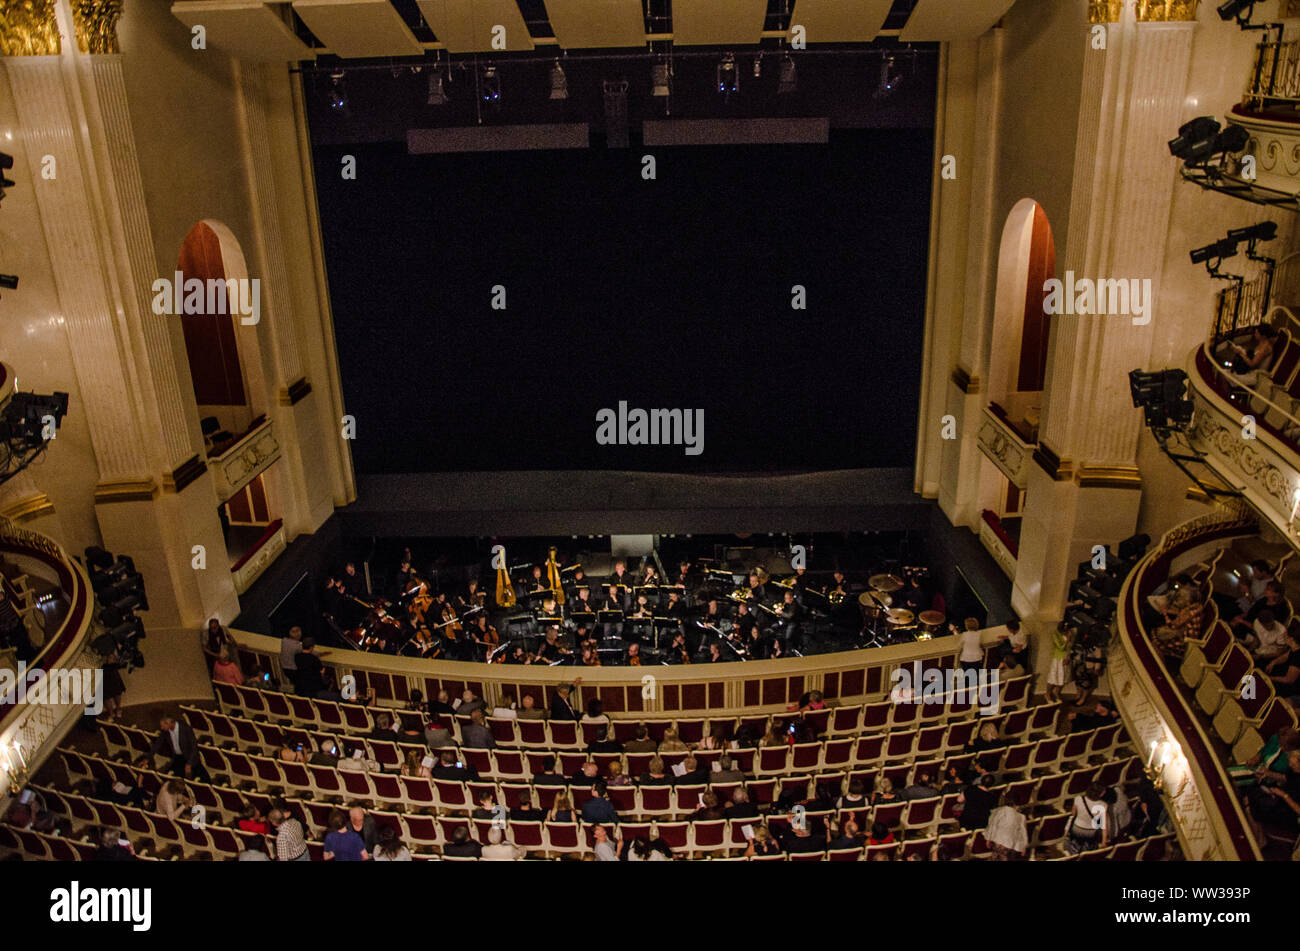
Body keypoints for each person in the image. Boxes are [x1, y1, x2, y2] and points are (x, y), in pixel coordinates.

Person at [150, 715, 204, 780]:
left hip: (190, 757)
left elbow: (194, 747)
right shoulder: (165, 731)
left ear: (169, 723)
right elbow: (157, 744)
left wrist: (189, 763)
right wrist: (148, 757)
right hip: (177, 758)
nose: (161, 728)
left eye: (163, 726)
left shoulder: (185, 729)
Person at [1067, 782, 1111, 853]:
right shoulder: (1103, 805)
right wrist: (1104, 841)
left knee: (1074, 848)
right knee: (1087, 852)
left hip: (1076, 828)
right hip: (1091, 831)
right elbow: (1104, 825)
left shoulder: (1078, 798)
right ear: (1100, 794)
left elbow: (1073, 813)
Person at [985, 795, 1028, 859]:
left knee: (996, 858)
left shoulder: (999, 811)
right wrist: (1023, 848)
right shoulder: (1021, 817)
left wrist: (988, 839)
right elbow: (1023, 833)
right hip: (1011, 844)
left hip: (998, 841)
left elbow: (993, 825)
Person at [1045, 624, 1074, 703]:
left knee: (1063, 678)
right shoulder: (1055, 634)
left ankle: (1056, 692)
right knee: (1053, 677)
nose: (1066, 632)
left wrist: (1068, 657)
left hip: (1066, 658)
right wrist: (1067, 639)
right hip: (1058, 659)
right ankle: (1047, 694)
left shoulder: (1070, 632)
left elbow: (1071, 646)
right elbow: (1060, 647)